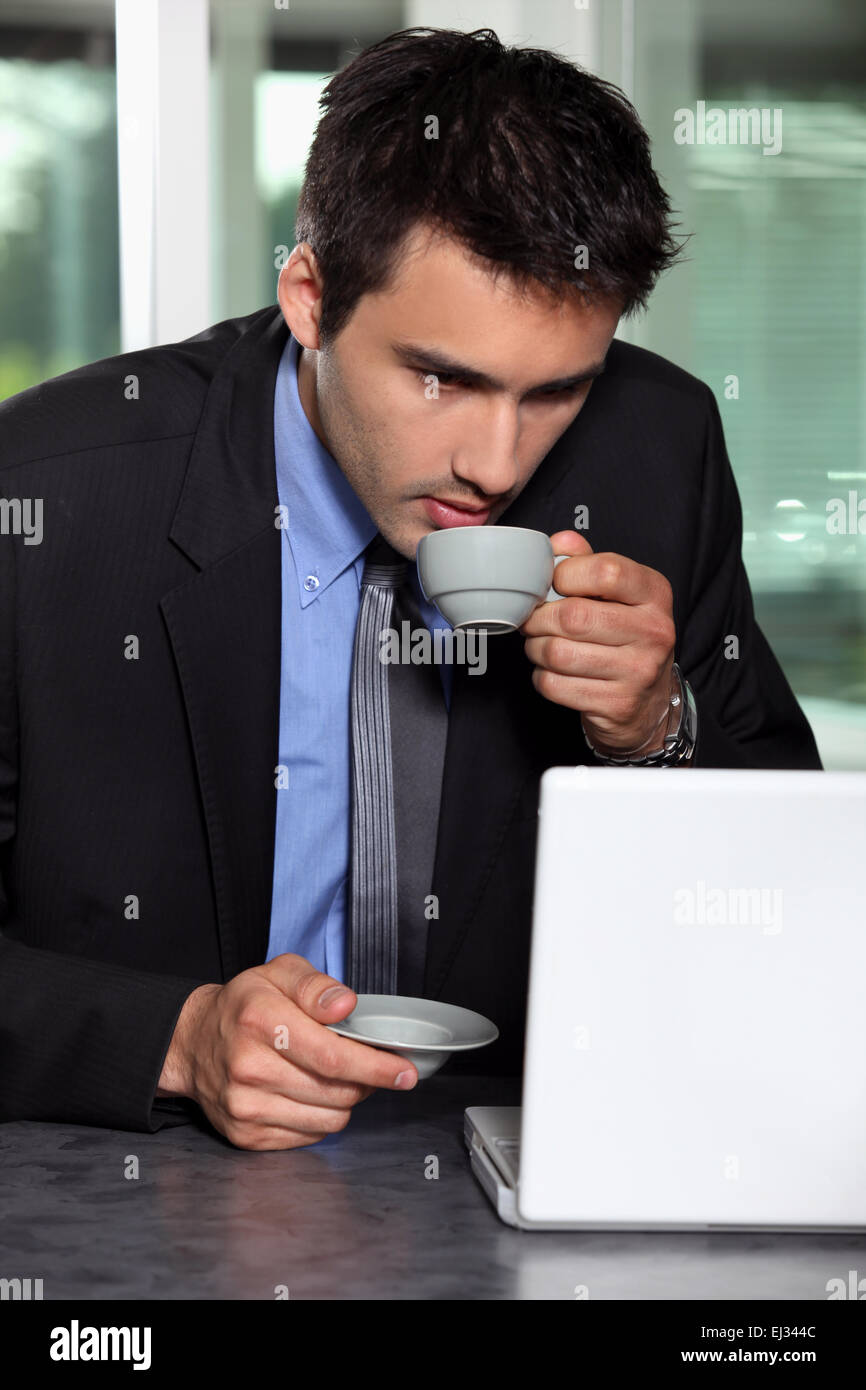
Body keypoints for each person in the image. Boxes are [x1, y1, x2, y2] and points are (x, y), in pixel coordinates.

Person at [0, 27, 821, 1151]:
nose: (496, 460)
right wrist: (174, 1038)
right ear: (308, 296)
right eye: (443, 377)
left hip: (530, 1170)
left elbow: (794, 917)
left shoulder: (653, 452)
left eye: (555, 392)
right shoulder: (49, 498)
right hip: (136, 1189)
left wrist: (654, 730)